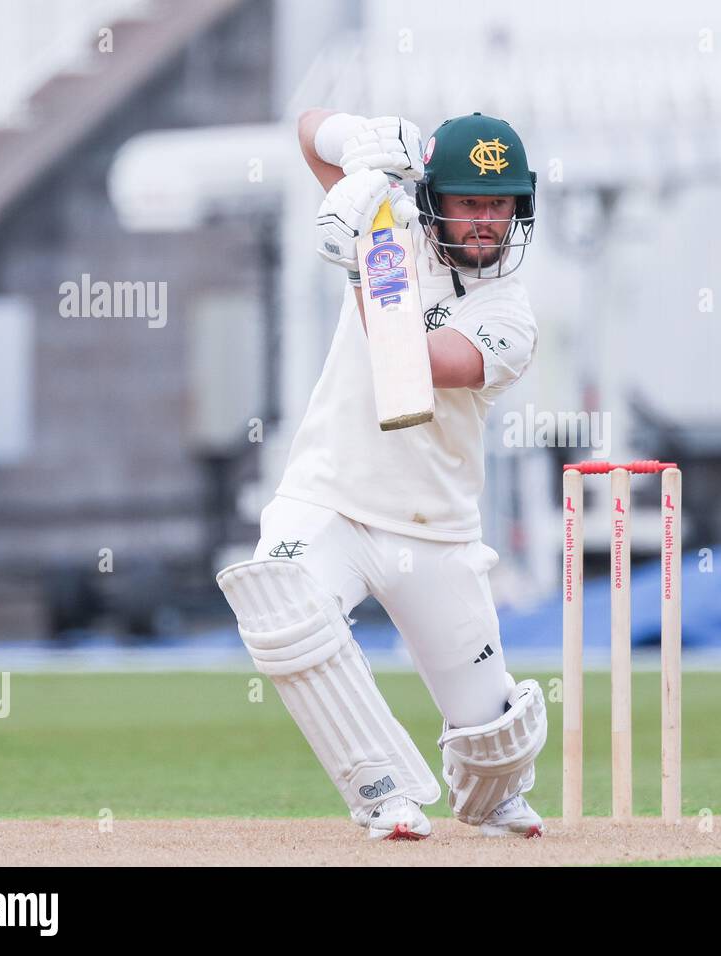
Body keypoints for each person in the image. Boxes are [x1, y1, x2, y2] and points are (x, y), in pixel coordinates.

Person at [215, 111, 545, 840]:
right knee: (280, 602)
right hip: (329, 497)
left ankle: (488, 798)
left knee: (497, 757)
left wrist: (365, 255)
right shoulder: (390, 219)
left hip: (434, 532)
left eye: (500, 204)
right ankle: (383, 792)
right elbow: (306, 134)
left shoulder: (510, 315)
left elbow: (413, 367)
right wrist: (358, 143)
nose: (487, 220)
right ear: (435, 199)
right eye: (469, 201)